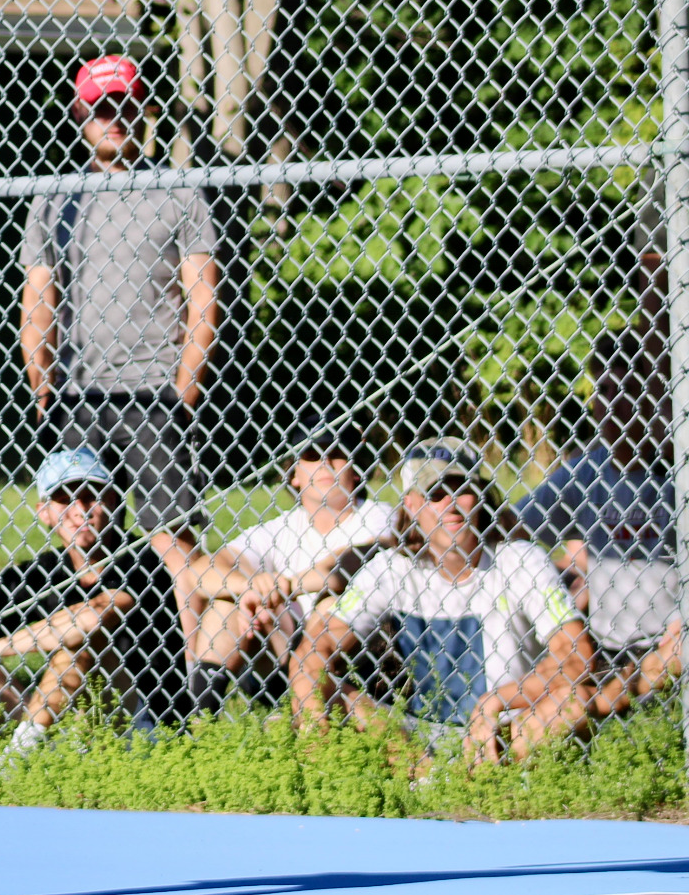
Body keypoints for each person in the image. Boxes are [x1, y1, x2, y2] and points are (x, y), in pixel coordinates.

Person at [19, 54, 220, 651]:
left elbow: (202, 296)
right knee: (85, 539)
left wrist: (184, 389)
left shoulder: (177, 191)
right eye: (101, 109)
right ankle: (105, 684)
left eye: (126, 106)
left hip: (155, 393)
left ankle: (191, 681)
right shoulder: (55, 200)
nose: (115, 118)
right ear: (81, 116)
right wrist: (42, 383)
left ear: (145, 110)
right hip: (78, 394)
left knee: (170, 539)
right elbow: (39, 299)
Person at [291, 439, 595, 765]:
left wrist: (495, 701)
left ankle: (496, 771)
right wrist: (313, 724)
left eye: (462, 490)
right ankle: (423, 773)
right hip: (410, 735)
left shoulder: (520, 560)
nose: (450, 504)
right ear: (411, 504)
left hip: (504, 725)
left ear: (479, 497)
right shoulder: (391, 568)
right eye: (435, 494)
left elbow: (576, 657)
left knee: (576, 700)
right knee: (329, 690)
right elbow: (313, 648)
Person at [0, 447, 187, 759]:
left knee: (84, 644)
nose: (79, 510)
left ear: (112, 502)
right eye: (64, 500)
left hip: (140, 722)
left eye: (91, 496)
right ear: (44, 512)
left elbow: (91, 618)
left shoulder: (139, 558)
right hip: (59, 718)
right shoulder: (42, 569)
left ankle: (16, 762)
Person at [513, 327, 680, 717]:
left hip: (669, 642)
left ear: (652, 398)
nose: (612, 406)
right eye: (603, 392)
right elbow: (513, 529)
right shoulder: (587, 470)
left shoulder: (675, 472)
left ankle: (614, 708)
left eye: (626, 392)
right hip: (605, 646)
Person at [187, 420, 396, 704]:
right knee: (226, 603)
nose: (324, 463)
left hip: (354, 652)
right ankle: (201, 720)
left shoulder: (379, 516)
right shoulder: (283, 527)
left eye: (336, 454)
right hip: (284, 646)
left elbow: (341, 568)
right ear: (293, 474)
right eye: (311, 455)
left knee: (329, 599)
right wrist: (251, 589)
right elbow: (200, 572)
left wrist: (279, 586)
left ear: (356, 470)